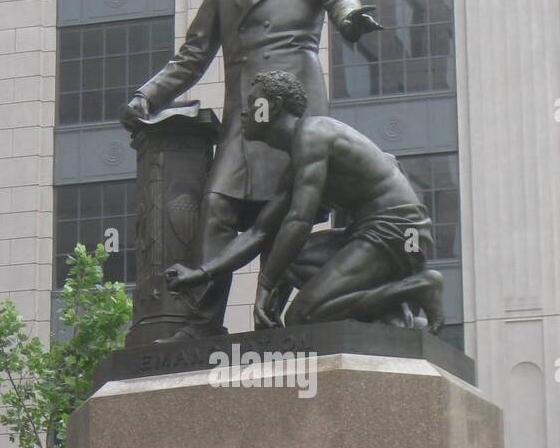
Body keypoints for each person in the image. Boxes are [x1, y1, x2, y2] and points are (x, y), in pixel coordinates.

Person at [120, 0, 380, 336]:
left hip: (292, 119)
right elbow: (192, 57)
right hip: (243, 127)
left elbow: (342, 1)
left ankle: (269, 320)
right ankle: (202, 324)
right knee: (216, 210)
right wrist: (146, 95)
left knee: (283, 221)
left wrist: (352, 18)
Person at [167, 71, 444, 333]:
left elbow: (299, 221)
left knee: (302, 316)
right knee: (285, 258)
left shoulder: (313, 134)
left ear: (272, 106)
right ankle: (400, 320)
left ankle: (419, 286)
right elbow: (259, 232)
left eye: (253, 103)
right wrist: (201, 273)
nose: (245, 111)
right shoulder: (298, 161)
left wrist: (265, 287)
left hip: (400, 235)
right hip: (376, 235)